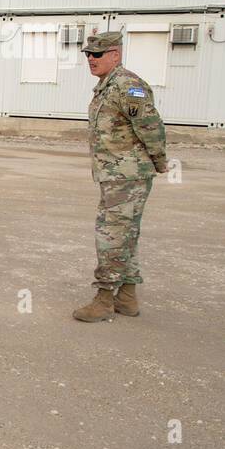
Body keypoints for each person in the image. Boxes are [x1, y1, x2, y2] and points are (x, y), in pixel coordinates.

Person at [72, 32, 168, 323]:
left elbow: (150, 126)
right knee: (125, 235)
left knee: (110, 235)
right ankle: (126, 296)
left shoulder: (128, 86)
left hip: (127, 176)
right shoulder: (106, 85)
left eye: (98, 54)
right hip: (117, 174)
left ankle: (103, 299)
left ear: (116, 54)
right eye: (88, 54)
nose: (91, 58)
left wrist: (160, 161)